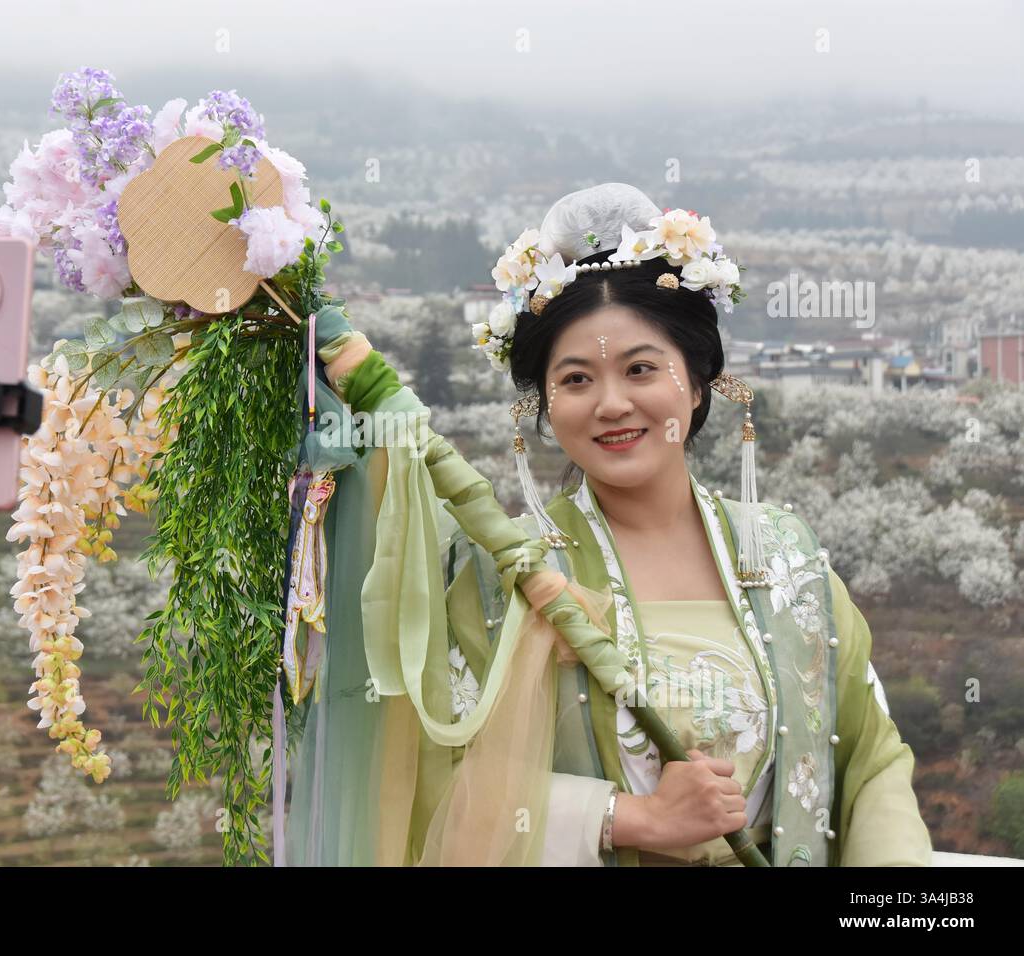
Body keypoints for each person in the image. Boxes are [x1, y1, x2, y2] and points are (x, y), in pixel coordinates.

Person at [279, 183, 932, 867]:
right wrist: (628, 818)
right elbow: (436, 784)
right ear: (545, 405)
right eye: (577, 380)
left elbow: (870, 763)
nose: (612, 404)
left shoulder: (788, 560)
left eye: (641, 369)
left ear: (699, 382)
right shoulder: (505, 576)